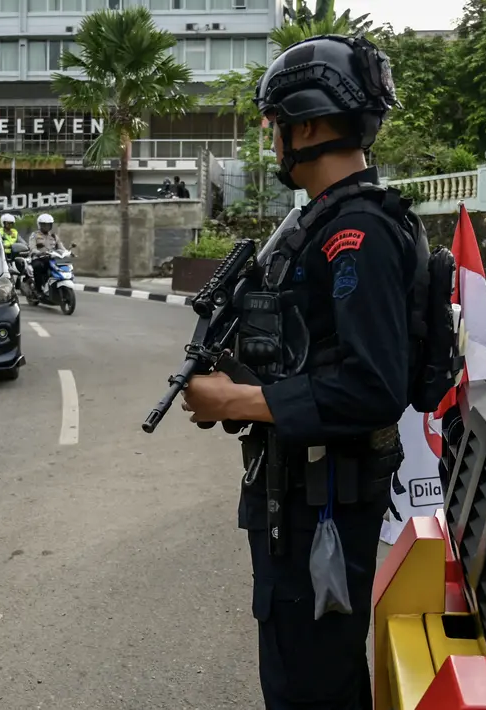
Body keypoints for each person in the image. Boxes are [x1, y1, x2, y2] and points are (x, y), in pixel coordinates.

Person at [181, 34, 417, 709]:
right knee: (297, 666)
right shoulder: (320, 223)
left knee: (312, 684)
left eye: (276, 125)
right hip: (303, 495)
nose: (274, 141)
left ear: (308, 125)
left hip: (326, 505)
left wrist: (236, 401)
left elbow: (373, 388)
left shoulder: (356, 234)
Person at [27, 213, 64, 296]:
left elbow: (61, 247)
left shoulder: (54, 236)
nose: (46, 227)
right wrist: (39, 252)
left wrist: (67, 252)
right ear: (39, 225)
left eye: (48, 225)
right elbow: (32, 248)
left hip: (51, 258)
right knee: (38, 267)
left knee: (62, 267)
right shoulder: (35, 235)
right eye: (44, 225)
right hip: (38, 258)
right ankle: (38, 289)